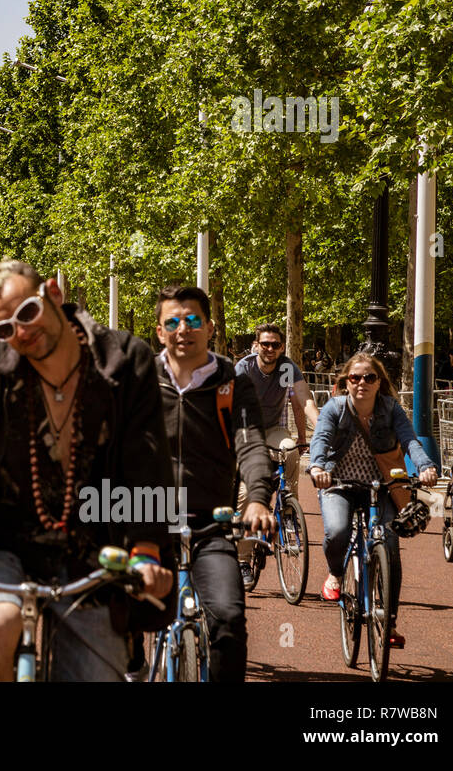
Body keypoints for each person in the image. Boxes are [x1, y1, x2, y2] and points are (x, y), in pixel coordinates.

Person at [0, 260, 174, 682]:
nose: (21, 332)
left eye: (27, 313)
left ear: (53, 294)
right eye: (5, 328)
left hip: (95, 545)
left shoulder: (124, 359)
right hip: (1, 541)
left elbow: (147, 460)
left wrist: (147, 550)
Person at [153, 285, 272, 681]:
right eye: (172, 321)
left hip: (211, 522)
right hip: (145, 519)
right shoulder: (139, 380)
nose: (182, 329)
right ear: (159, 331)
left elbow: (251, 442)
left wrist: (256, 499)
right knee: (114, 610)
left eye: (192, 320)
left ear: (209, 326)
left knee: (228, 619)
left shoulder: (230, 382)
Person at [310, 353, 438, 649]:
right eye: (355, 378)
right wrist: (317, 467)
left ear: (379, 382)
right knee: (338, 531)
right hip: (337, 484)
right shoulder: (335, 408)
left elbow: (410, 440)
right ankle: (335, 573)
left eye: (369, 377)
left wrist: (425, 465)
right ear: (346, 382)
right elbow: (321, 438)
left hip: (379, 487)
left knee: (390, 546)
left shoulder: (391, 409)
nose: (362, 383)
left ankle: (388, 621)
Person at [232, 323, 320, 587]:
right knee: (247, 495)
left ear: (282, 346)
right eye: (265, 344)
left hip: (274, 429)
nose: (270, 349)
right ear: (256, 345)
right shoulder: (244, 368)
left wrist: (318, 432)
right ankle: (243, 561)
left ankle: (288, 508)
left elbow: (302, 401)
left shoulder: (287, 368)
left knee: (290, 450)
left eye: (276, 345)